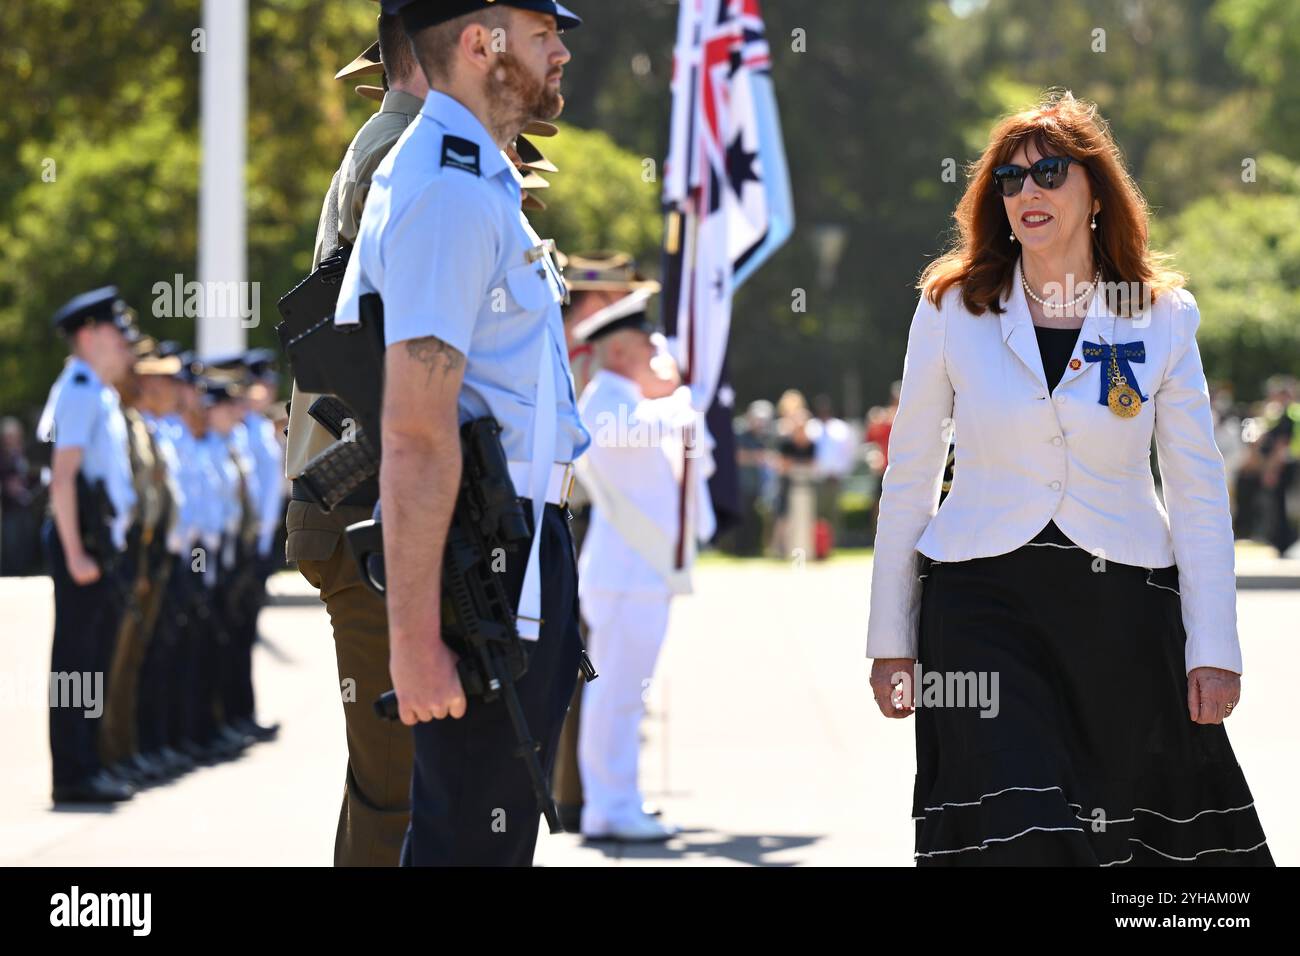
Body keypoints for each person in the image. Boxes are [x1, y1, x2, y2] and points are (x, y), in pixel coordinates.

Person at [866, 90, 1272, 865]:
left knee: (1124, 846)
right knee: (1022, 832)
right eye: (1010, 182)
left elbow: (1196, 492)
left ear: (1095, 192)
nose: (1028, 193)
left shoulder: (1160, 314)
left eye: (1049, 172)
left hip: (1120, 612)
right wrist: (891, 639)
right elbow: (910, 476)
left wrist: (1213, 646)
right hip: (978, 607)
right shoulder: (953, 306)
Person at [335, 0, 588, 866]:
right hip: (484, 550)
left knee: (491, 833)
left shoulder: (473, 179)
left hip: (515, 538)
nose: (560, 51)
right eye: (545, 32)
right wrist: (412, 644)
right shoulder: (444, 189)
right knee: (466, 839)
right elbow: (412, 431)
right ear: (483, 43)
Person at [283, 6, 428, 866]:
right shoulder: (400, 151)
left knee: (392, 777)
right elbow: (385, 351)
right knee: (396, 782)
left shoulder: (396, 143)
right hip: (361, 488)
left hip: (357, 484)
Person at [572, 288, 702, 842]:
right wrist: (687, 399)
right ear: (620, 348)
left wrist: (682, 402)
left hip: (639, 574)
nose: (657, 349)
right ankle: (608, 805)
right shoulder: (607, 397)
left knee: (627, 696)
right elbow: (640, 430)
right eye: (646, 341)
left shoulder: (626, 396)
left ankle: (616, 799)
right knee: (618, 695)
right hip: (626, 574)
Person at [551, 250, 663, 830]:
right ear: (595, 300)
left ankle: (585, 794)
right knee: (592, 667)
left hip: (601, 516)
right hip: (586, 518)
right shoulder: (577, 349)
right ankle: (582, 797)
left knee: (598, 670)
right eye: (618, 297)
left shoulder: (584, 347)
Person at [36, 287, 139, 804]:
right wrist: (76, 553)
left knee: (91, 661)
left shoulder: (95, 390)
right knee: (75, 663)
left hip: (97, 543)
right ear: (89, 334)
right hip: (83, 542)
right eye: (115, 332)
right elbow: (63, 478)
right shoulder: (78, 387)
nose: (124, 343)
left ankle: (89, 763)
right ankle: (73, 773)